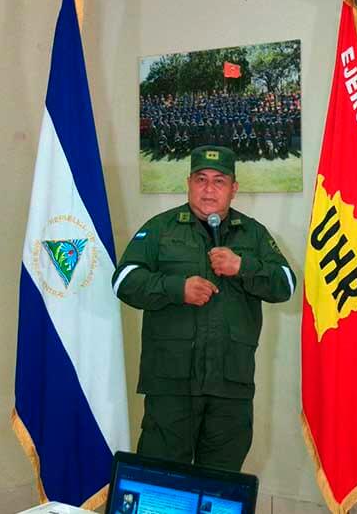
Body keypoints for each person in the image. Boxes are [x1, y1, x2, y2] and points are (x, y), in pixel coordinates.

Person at [111, 146, 296, 471]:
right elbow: (123, 281)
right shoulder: (161, 229)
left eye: (219, 181)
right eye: (201, 179)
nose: (209, 189)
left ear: (233, 188)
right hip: (171, 384)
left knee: (220, 484)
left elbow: (286, 284)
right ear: (188, 183)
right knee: (162, 480)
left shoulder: (253, 233)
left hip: (230, 385)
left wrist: (244, 267)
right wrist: (176, 288)